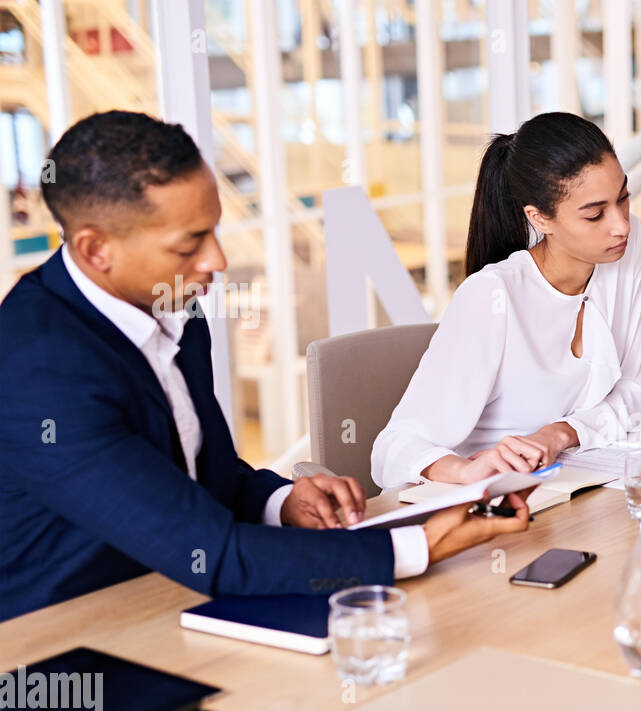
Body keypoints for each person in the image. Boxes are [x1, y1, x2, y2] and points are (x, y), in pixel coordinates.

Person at [0, 111, 529, 623]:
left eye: (213, 230)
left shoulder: (173, 305)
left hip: (170, 597)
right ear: (96, 250)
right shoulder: (37, 370)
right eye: (190, 243)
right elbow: (215, 554)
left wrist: (280, 500)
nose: (217, 260)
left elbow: (203, 474)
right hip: (61, 633)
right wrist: (419, 546)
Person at [372, 112, 641, 489]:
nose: (619, 224)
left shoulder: (623, 246)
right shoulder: (492, 296)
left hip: (568, 487)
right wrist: (463, 470)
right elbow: (392, 449)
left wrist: (559, 434)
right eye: (595, 214)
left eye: (623, 199)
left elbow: (634, 387)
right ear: (540, 218)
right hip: (487, 507)